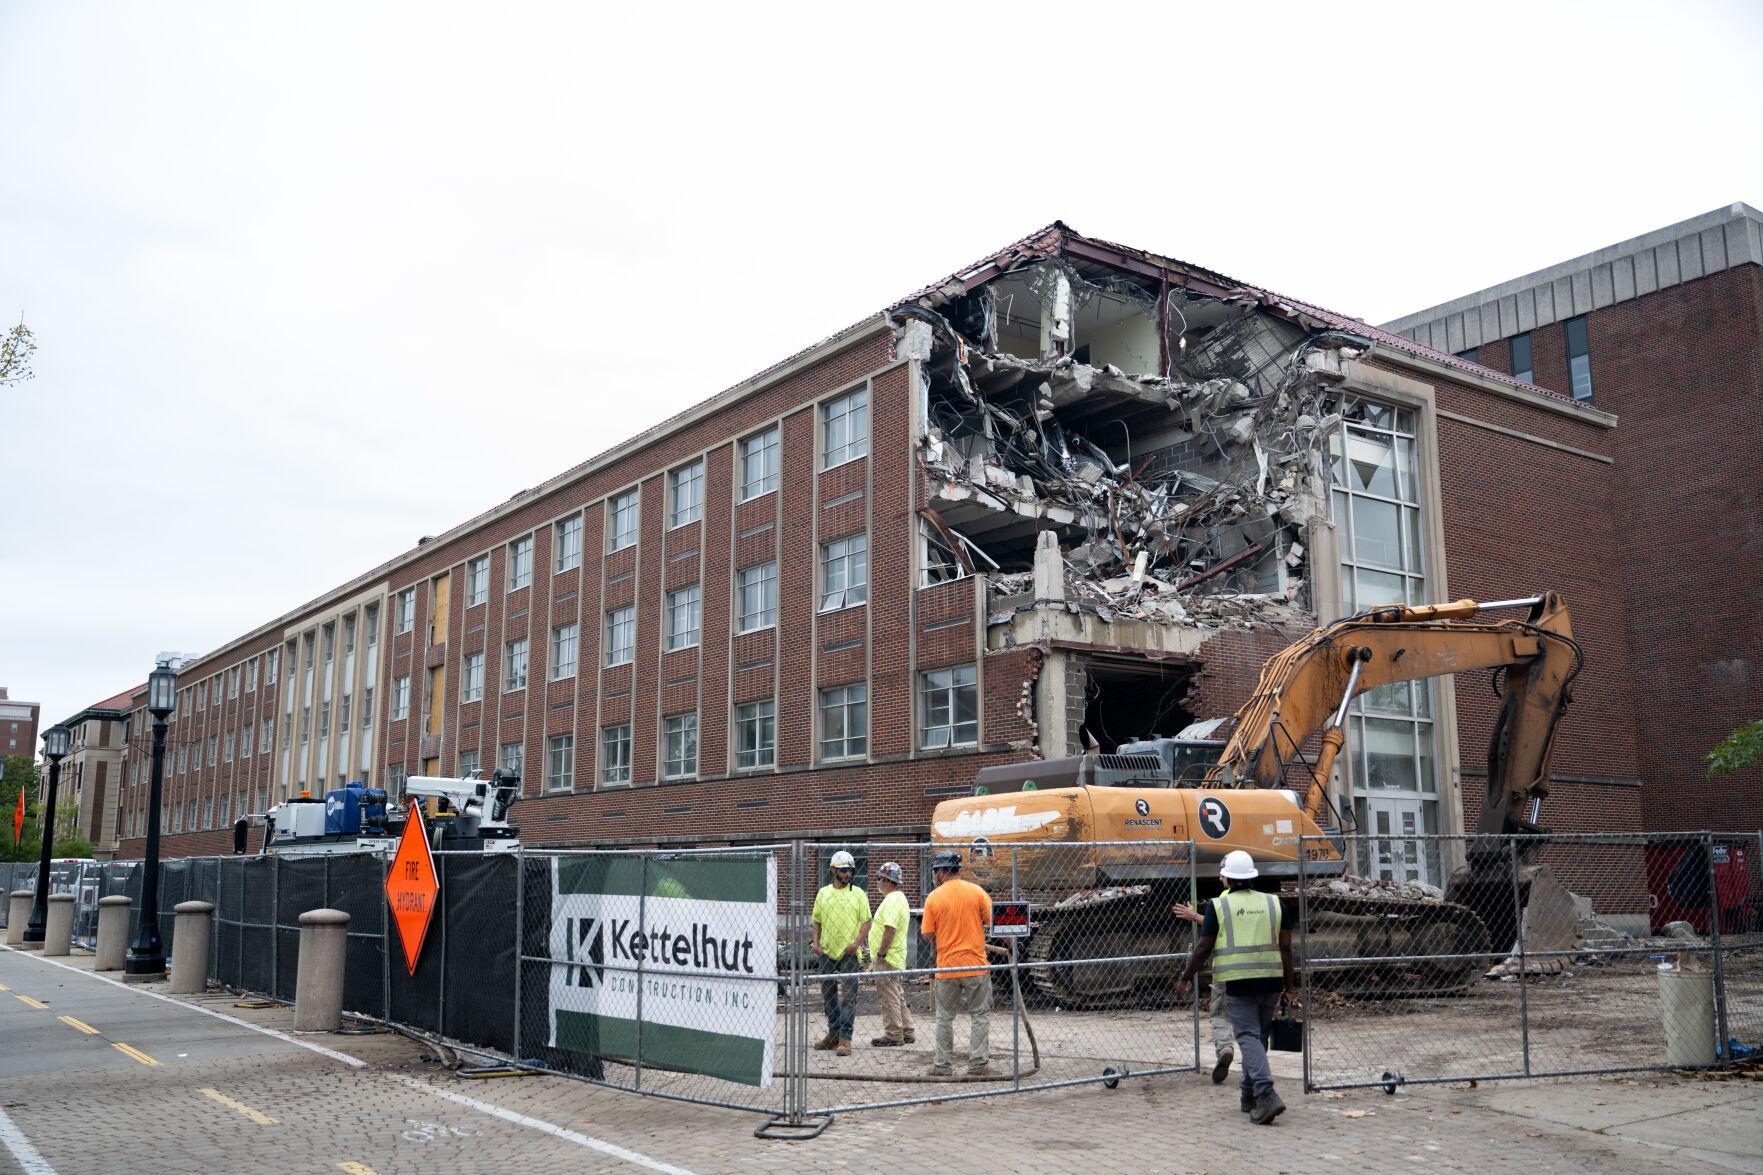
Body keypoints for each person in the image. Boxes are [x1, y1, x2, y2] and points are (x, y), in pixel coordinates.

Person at [1175, 850, 1297, 1125]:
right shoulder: (1275, 904)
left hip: (1240, 982)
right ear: (1252, 876)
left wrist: (1185, 978)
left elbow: (1203, 948)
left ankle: (1266, 1093)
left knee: (1248, 1036)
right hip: (1271, 980)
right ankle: (1248, 1094)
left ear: (1228, 878)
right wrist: (1290, 987)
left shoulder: (1219, 906)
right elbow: (1287, 948)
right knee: (1259, 1038)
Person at [918, 849, 992, 1077]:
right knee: (979, 1015)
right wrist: (1010, 946)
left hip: (947, 967)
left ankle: (942, 1066)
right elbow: (995, 923)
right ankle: (978, 1064)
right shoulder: (977, 892)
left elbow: (927, 935)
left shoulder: (934, 898)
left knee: (944, 1018)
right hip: (976, 965)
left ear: (941, 871)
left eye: (935, 872)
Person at [811, 849, 870, 1056]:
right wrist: (815, 943)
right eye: (844, 870)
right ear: (834, 870)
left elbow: (867, 922)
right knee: (828, 995)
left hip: (849, 953)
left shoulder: (858, 894)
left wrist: (856, 944)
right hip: (826, 952)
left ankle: (845, 1039)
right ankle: (833, 1033)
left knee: (848, 997)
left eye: (850, 870)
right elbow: (816, 921)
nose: (847, 874)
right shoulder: (823, 893)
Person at [1172, 900, 1235, 1083]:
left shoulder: (1223, 900)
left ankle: (1225, 1048)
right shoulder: (1264, 902)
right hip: (1257, 972)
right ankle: (1256, 1066)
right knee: (1251, 1020)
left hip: (1227, 969)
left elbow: (1217, 926)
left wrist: (1194, 916)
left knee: (1221, 1015)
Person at [858, 860, 915, 1047]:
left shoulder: (891, 900)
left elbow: (889, 929)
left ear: (887, 880)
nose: (877, 882)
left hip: (887, 957)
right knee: (897, 994)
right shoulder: (900, 898)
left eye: (879, 878)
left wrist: (881, 954)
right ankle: (906, 1029)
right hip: (895, 955)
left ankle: (894, 1034)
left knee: (889, 996)